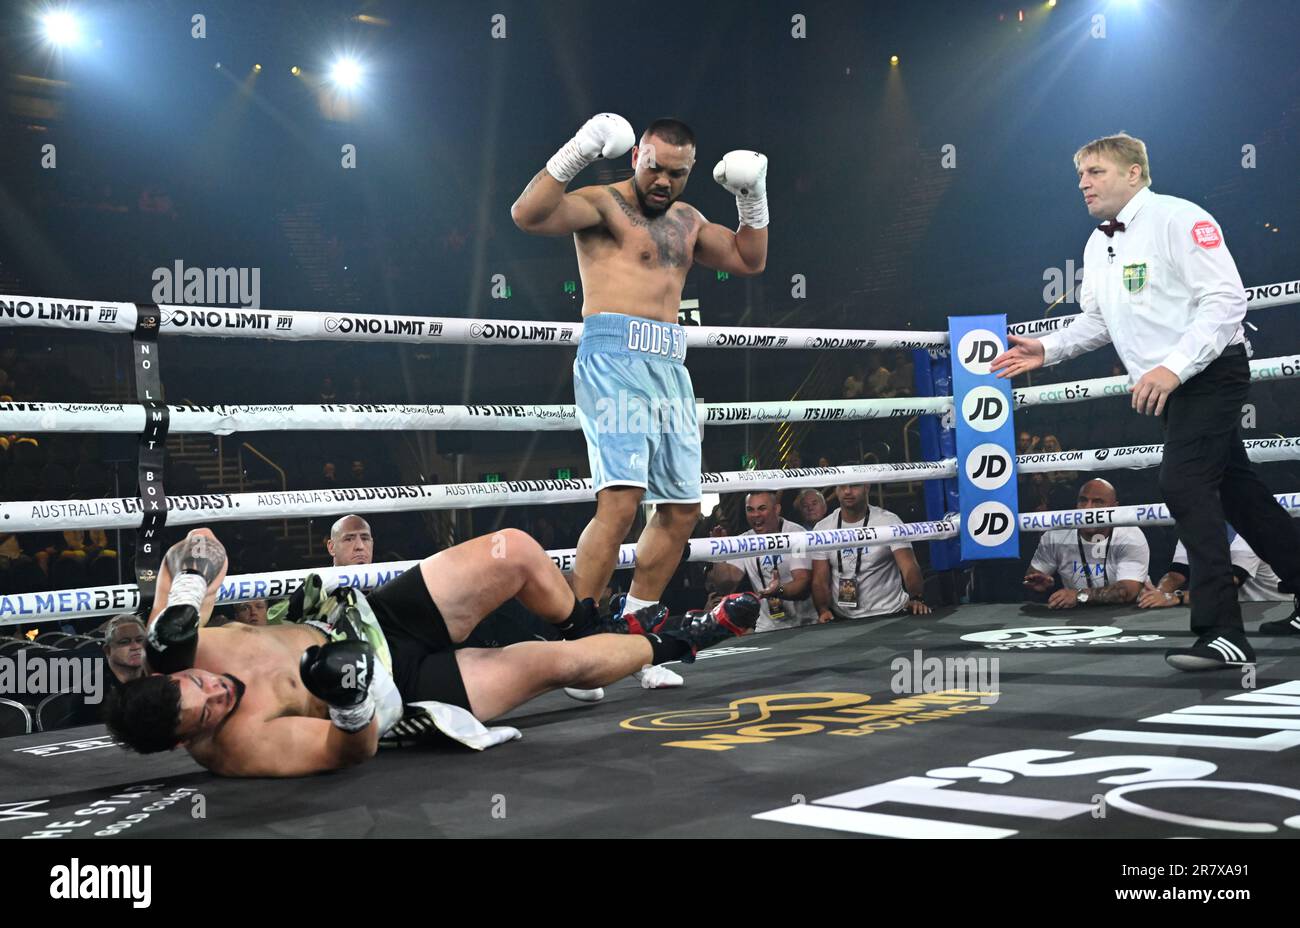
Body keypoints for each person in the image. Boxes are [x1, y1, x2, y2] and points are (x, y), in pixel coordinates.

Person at [992, 132, 1300, 670]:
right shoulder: (1096, 243)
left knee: (1183, 482)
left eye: (1096, 172)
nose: (1084, 183)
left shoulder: (1180, 218)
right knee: (1238, 491)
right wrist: (1047, 349)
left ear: (1134, 173)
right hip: (1172, 383)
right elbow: (1095, 321)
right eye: (1081, 175)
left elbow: (1227, 301)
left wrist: (1173, 366)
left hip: (1208, 371)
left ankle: (1223, 631)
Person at [104, 528, 759, 777]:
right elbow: (342, 752)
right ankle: (686, 639)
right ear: (188, 742)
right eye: (208, 713)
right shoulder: (239, 750)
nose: (218, 693)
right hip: (402, 685)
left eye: (203, 684)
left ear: (175, 672)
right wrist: (353, 700)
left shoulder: (170, 642)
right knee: (553, 667)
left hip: (370, 617)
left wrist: (186, 599)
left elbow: (201, 543)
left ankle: (585, 618)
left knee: (516, 550)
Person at [511, 114, 769, 635]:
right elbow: (527, 214)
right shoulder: (604, 204)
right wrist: (579, 149)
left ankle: (635, 627)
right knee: (621, 501)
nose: (663, 181)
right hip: (613, 359)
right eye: (654, 168)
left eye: (677, 173)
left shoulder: (689, 221)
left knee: (680, 508)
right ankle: (575, 636)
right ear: (635, 157)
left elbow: (748, 259)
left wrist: (753, 197)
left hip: (670, 366)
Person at [810, 479, 930, 622]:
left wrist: (916, 597)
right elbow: (819, 579)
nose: (847, 491)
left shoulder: (888, 521)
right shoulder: (823, 528)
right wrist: (823, 609)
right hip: (843, 618)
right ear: (836, 490)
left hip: (890, 612)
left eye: (854, 485)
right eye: (842, 486)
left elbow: (909, 566)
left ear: (866, 486)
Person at [1022, 479, 1149, 609]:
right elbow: (1030, 578)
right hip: (1076, 615)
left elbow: (1126, 592)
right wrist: (1036, 583)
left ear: (1114, 508)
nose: (1088, 508)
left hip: (1126, 613)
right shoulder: (1056, 535)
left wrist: (1079, 596)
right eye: (1083, 500)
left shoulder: (1129, 535)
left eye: (1098, 502)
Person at [1139, 531, 1298, 632]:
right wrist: (1159, 592)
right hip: (1236, 606)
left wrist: (1177, 597)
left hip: (1270, 606)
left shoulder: (1248, 534)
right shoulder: (1194, 528)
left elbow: (1226, 585)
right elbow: (1177, 575)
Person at [705, 491, 817, 632]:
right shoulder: (745, 541)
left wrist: (779, 590)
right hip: (766, 627)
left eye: (762, 508)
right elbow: (725, 586)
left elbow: (802, 583)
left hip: (804, 624)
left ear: (776, 509)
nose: (756, 515)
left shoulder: (796, 534)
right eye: (750, 510)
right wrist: (719, 554)